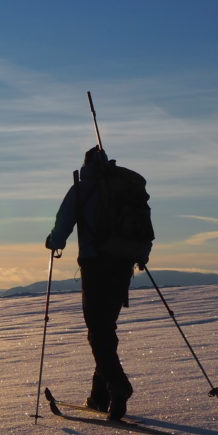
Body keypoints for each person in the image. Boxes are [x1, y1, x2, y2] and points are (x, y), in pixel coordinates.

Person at [45, 146, 146, 420]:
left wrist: (53, 242)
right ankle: (99, 397)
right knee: (105, 329)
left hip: (96, 266)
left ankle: (118, 386)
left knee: (98, 331)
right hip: (123, 266)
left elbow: (63, 223)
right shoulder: (124, 188)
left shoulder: (83, 188)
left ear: (86, 163)